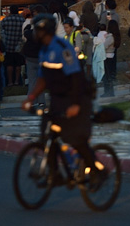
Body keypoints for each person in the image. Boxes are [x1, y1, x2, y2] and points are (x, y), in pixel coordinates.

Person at [22, 14, 97, 173]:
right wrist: (31, 98)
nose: (34, 33)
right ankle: (54, 174)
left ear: (45, 31)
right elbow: (42, 79)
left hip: (75, 95)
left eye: (37, 30)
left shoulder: (62, 48)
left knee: (73, 137)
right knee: (47, 134)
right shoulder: (43, 50)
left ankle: (97, 171)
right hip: (57, 97)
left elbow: (76, 77)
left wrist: (75, 104)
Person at [1, 6, 26, 86]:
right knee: (18, 65)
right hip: (19, 45)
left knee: (9, 65)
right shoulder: (22, 20)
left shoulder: (5, 20)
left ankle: (10, 82)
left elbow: (1, 30)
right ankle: (17, 81)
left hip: (8, 45)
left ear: (10, 11)